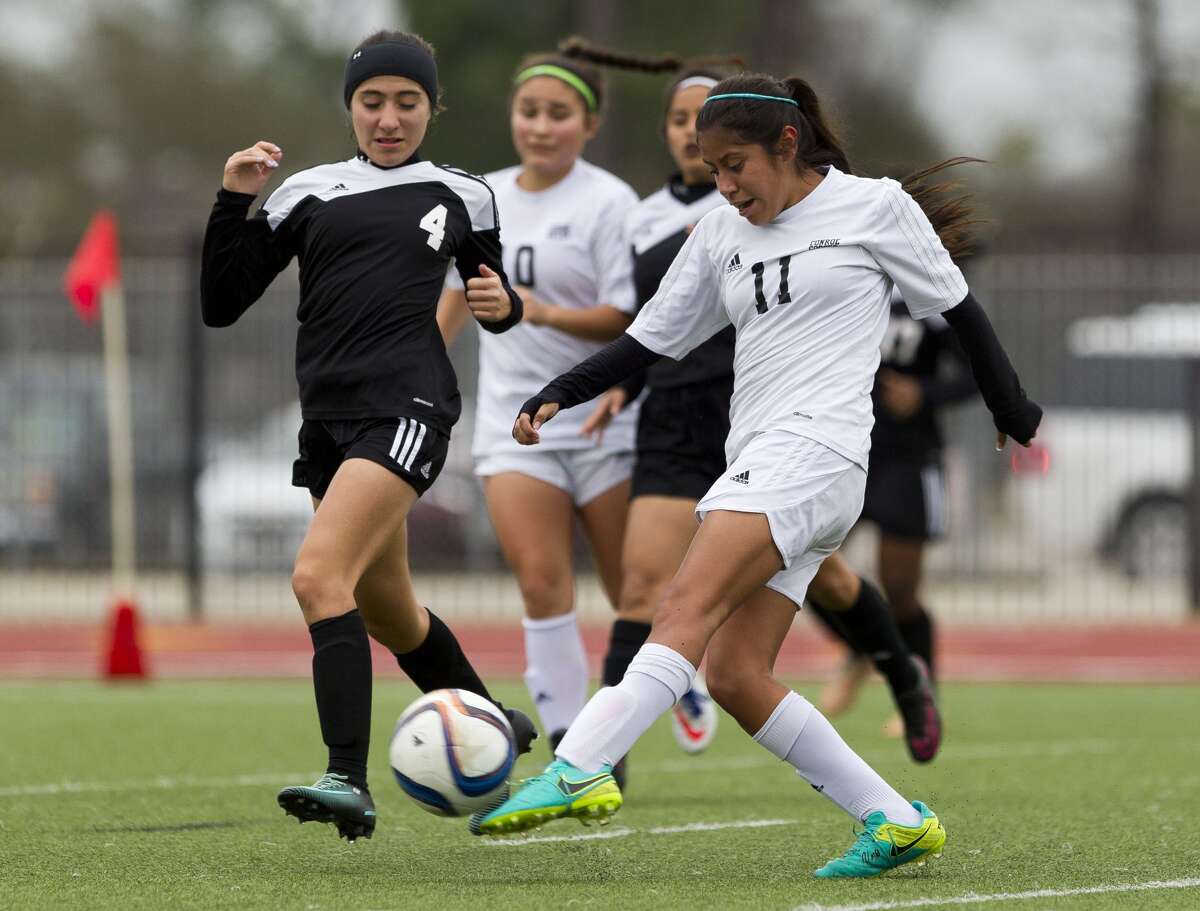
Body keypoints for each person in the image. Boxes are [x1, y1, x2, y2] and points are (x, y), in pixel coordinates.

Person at [472, 73, 1042, 880]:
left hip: (818, 453)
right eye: (713, 170)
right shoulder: (719, 234)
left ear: (786, 143)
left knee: (682, 606)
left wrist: (1013, 410)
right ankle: (896, 818)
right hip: (766, 460)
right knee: (737, 675)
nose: (727, 185)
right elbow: (648, 342)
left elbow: (960, 311)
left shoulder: (873, 206)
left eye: (736, 165)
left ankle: (581, 762)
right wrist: (560, 390)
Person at [563, 40, 940, 769]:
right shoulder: (644, 219)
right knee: (647, 585)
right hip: (677, 414)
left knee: (824, 579)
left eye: (696, 119)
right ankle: (600, 764)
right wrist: (617, 384)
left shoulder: (778, 194)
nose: (684, 132)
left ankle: (901, 674)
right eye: (676, 120)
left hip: (770, 417)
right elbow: (652, 325)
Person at [200, 29, 536, 843]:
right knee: (388, 610)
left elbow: (495, 293)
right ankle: (498, 723)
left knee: (319, 575)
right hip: (329, 424)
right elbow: (220, 301)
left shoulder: (463, 192)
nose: (390, 118)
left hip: (410, 407)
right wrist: (231, 197)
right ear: (350, 107)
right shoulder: (305, 192)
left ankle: (345, 775)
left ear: (432, 107)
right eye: (373, 101)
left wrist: (505, 307)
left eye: (407, 102)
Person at [436, 51, 643, 755]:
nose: (542, 126)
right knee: (542, 581)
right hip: (513, 425)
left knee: (634, 592)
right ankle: (574, 749)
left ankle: (677, 685)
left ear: (589, 122)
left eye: (559, 114)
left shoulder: (611, 201)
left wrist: (537, 311)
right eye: (530, 111)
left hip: (602, 422)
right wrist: (416, 372)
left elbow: (626, 316)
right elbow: (454, 303)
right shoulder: (478, 196)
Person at [811, 284, 979, 729]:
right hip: (843, 450)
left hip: (909, 458)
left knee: (900, 588)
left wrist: (922, 393)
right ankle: (861, 647)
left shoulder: (932, 295)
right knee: (803, 561)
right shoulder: (839, 278)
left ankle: (919, 695)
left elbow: (974, 372)